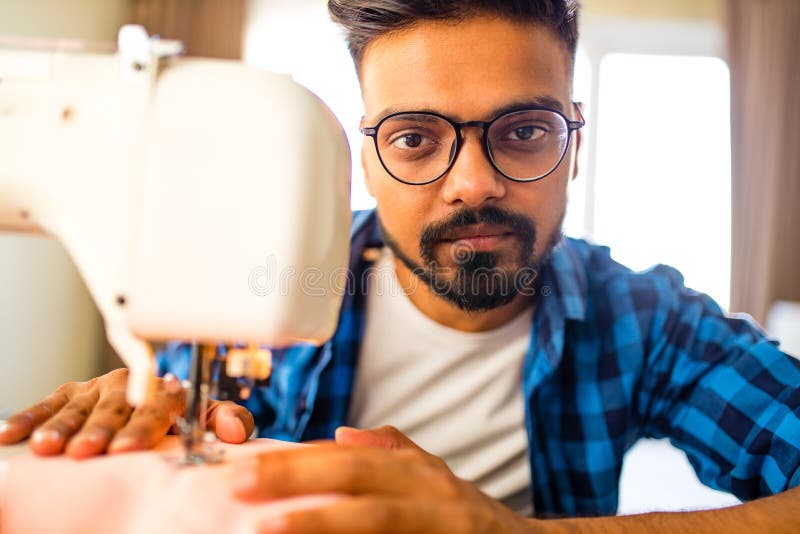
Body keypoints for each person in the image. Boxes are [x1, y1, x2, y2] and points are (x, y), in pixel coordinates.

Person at [2, 0, 799, 531]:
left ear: (574, 147)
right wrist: (140, 409)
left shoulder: (646, 321)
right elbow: (185, 411)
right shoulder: (273, 288)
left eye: (525, 131)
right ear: (369, 162)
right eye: (416, 138)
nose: (473, 183)